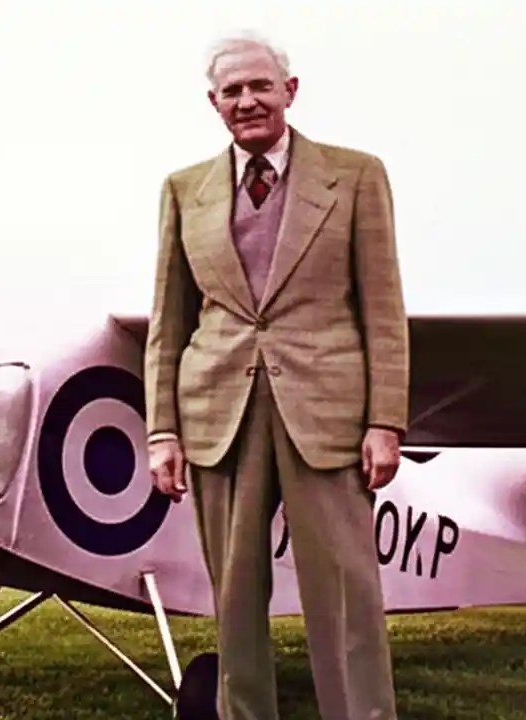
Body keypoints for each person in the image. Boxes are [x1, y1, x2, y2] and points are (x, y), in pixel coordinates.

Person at [143, 31, 410, 720]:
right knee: (233, 598)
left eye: (260, 86)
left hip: (327, 414)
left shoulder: (355, 176)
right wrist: (161, 432)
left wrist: (385, 421)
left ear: (290, 92)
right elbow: (168, 323)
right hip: (217, 416)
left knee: (346, 592)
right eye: (231, 91)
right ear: (213, 103)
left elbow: (383, 308)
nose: (247, 101)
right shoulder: (182, 191)